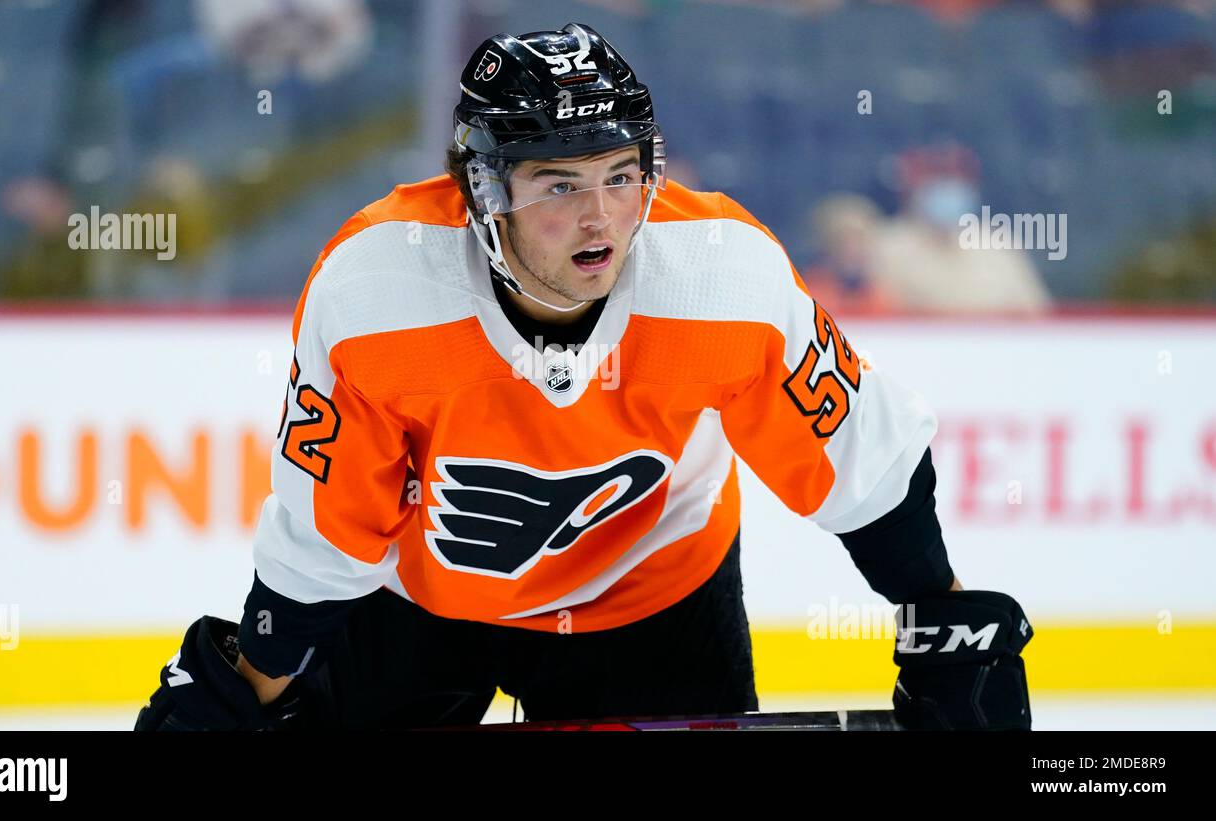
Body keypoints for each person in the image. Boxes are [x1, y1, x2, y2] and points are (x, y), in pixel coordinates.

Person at [134, 22, 1032, 731]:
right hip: (422, 598)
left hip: (653, 589)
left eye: (620, 174)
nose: (601, 216)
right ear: (484, 191)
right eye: (558, 184)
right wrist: (249, 687)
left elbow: (860, 463)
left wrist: (945, 622)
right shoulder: (379, 289)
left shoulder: (723, 276)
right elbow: (328, 530)